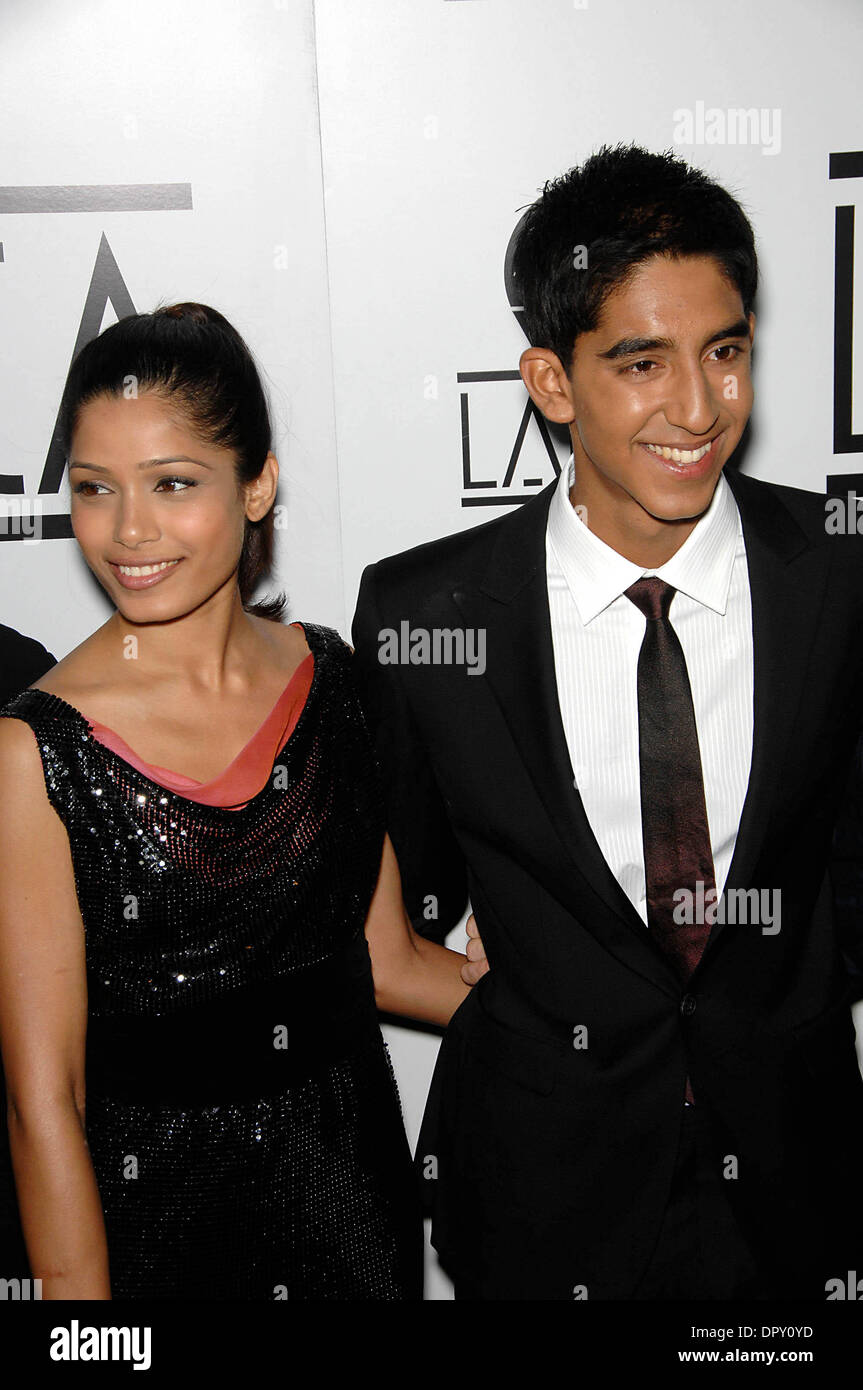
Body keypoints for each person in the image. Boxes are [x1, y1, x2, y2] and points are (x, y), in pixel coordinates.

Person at [351, 144, 863, 1300]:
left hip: (795, 1188)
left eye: (723, 351)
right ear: (550, 381)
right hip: (543, 1193)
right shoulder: (424, 612)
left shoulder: (835, 570)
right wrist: (549, 1012)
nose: (697, 406)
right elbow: (399, 910)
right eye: (641, 362)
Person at [0, 302, 484, 1301]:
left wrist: (594, 1007)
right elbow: (45, 1094)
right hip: (154, 1227)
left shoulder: (333, 678)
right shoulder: (31, 752)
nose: (129, 530)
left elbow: (386, 962)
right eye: (95, 489)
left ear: (257, 483)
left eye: (172, 483)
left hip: (351, 1198)